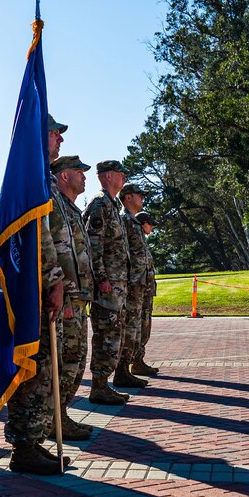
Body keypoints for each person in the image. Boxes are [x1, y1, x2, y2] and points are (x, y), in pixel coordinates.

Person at [4, 115, 68, 475]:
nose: (59, 140)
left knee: (42, 370)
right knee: (33, 368)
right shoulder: (32, 179)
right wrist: (54, 280)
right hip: (36, 291)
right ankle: (24, 447)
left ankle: (34, 441)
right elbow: (38, 239)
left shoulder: (43, 178)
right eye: (55, 133)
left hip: (45, 288)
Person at [48, 156, 98, 440]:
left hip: (78, 296)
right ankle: (54, 419)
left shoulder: (71, 210)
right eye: (79, 172)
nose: (84, 176)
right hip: (64, 297)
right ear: (64, 176)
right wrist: (62, 291)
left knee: (76, 359)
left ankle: (61, 414)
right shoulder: (54, 205)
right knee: (65, 360)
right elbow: (53, 251)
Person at [82, 161, 134, 406]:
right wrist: (101, 279)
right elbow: (93, 246)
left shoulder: (112, 204)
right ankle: (99, 386)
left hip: (117, 285)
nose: (124, 179)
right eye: (121, 175)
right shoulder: (100, 204)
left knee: (115, 335)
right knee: (106, 336)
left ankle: (104, 384)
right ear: (109, 176)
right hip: (107, 288)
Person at [116, 182, 152, 388]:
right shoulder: (125, 220)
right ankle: (122, 371)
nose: (142, 198)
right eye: (139, 195)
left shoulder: (133, 222)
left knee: (137, 328)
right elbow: (122, 253)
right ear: (128, 197)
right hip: (130, 285)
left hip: (140, 284)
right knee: (129, 329)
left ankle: (131, 365)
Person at [133, 211, 160, 376]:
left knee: (145, 327)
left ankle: (138, 361)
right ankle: (135, 362)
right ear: (143, 223)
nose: (152, 226)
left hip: (146, 290)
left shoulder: (142, 239)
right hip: (139, 290)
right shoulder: (135, 239)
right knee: (139, 327)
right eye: (150, 223)